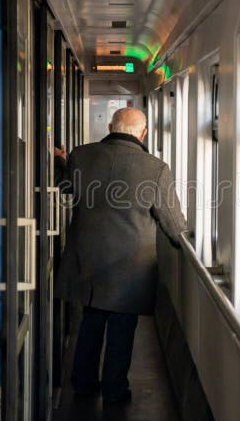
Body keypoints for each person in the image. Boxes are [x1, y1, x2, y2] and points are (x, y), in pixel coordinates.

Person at [55, 107, 187, 403]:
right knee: (122, 329)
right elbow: (174, 225)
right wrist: (187, 242)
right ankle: (115, 390)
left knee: (90, 322)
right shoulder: (156, 168)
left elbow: (67, 189)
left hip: (87, 260)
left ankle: (83, 384)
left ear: (111, 127)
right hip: (130, 266)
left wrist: (60, 164)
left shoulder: (81, 155)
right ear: (143, 133)